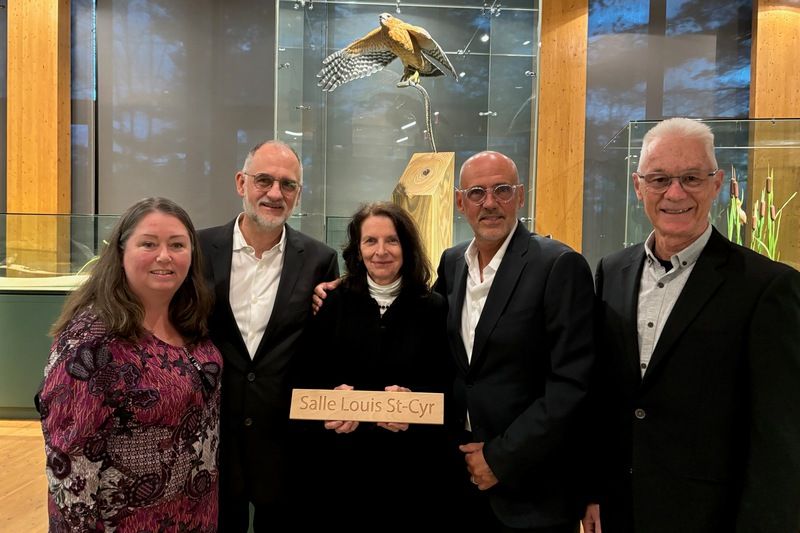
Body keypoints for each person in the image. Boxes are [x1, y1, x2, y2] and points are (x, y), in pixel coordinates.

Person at [582, 118, 800, 533]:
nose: (675, 193)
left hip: (712, 515)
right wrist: (594, 490)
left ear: (716, 184)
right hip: (620, 510)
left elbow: (779, 438)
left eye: (691, 178)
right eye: (660, 179)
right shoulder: (611, 272)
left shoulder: (767, 287)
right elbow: (604, 399)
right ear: (638, 186)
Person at [37, 197, 221, 532]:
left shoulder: (189, 318)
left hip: (195, 515)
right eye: (148, 244)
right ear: (121, 253)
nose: (164, 256)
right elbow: (70, 465)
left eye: (177, 245)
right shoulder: (90, 341)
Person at [197, 140, 339, 531]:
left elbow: (324, 346)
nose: (275, 194)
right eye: (264, 181)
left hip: (285, 444)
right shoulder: (196, 249)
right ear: (241, 182)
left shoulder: (319, 260)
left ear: (298, 194)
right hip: (211, 441)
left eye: (288, 184)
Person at [294, 201, 457, 528]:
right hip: (341, 475)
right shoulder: (332, 303)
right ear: (357, 248)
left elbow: (447, 384)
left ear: (406, 246)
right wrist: (331, 400)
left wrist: (412, 405)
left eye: (391, 240)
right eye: (370, 241)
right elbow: (306, 375)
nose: (381, 251)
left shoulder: (434, 307)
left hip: (410, 477)